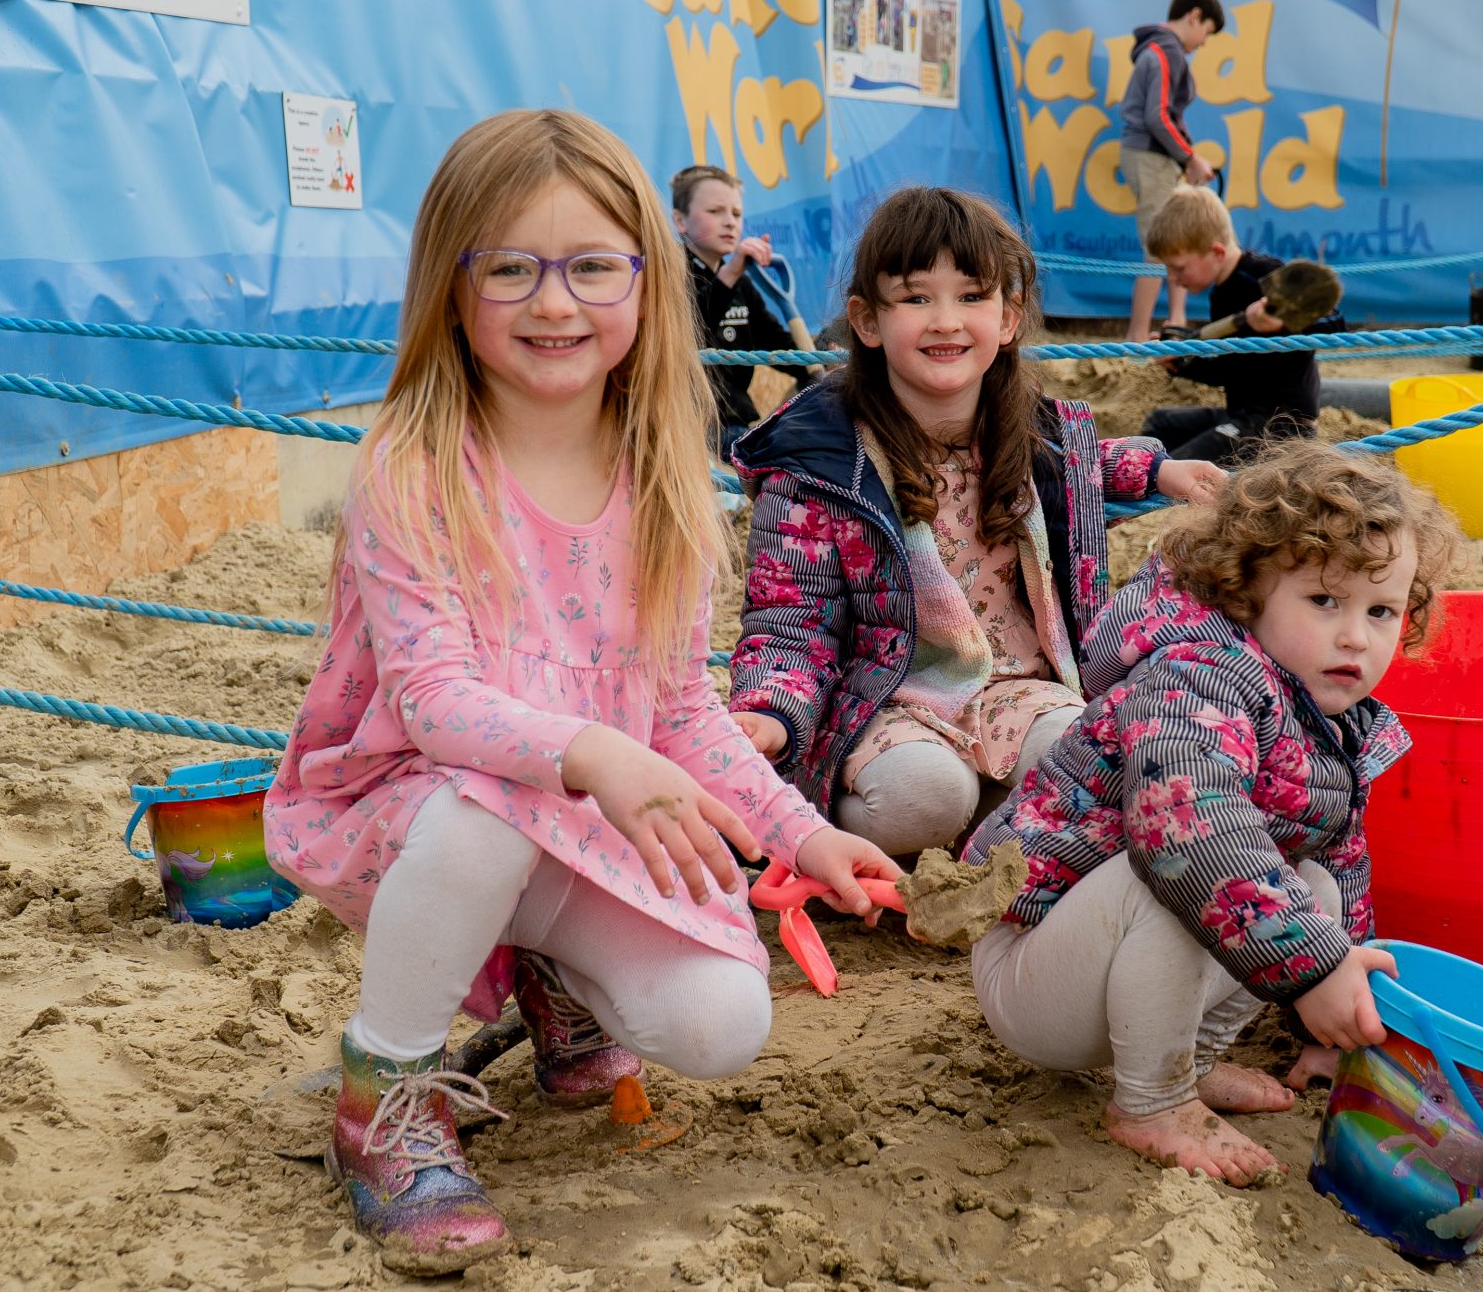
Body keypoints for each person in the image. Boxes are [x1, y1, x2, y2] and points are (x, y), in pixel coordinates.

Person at [264, 111, 900, 1275]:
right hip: (422, 802)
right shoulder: (413, 463)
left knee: (720, 1022)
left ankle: (554, 977)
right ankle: (383, 1095)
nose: (554, 302)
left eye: (593, 267)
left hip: (585, 816)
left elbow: (681, 710)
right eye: (510, 267)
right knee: (484, 823)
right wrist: (601, 755)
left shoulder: (665, 475)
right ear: (451, 285)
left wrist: (800, 836)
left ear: (647, 282)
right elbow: (432, 700)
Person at [961, 440, 1463, 1185]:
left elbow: (1345, 865)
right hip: (1033, 966)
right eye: (1324, 601)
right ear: (1247, 590)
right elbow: (1186, 828)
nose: (1356, 636)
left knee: (1317, 888)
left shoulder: (1334, 721)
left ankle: (1187, 1063)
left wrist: (1338, 1013)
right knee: (1179, 869)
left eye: (1381, 610)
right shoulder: (1195, 674)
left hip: (1116, 967)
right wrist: (1316, 968)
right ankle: (1152, 1099)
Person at [726, 186, 1226, 858]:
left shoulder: (1032, 437)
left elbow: (1080, 463)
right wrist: (771, 711)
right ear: (867, 321)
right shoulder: (820, 465)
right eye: (915, 298)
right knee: (923, 797)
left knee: (1089, 759)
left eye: (970, 296)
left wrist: (1158, 469)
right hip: (887, 698)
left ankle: (987, 826)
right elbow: (790, 620)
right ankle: (900, 821)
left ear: (1008, 318)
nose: (945, 321)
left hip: (1021, 686)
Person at [1136, 187, 1344, 465]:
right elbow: (1231, 369)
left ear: (1216, 252)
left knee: (1176, 466)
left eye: (1179, 268)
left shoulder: (1263, 276)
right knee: (1160, 424)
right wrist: (1181, 363)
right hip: (1243, 415)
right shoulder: (1220, 294)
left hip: (1283, 427)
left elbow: (1335, 322)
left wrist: (1282, 323)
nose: (1172, 278)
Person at [671, 164, 813, 458]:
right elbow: (687, 328)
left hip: (734, 425)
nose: (729, 222)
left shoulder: (740, 284)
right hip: (685, 428)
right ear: (680, 221)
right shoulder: (668, 273)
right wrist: (731, 272)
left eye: (736, 214)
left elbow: (777, 345)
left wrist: (824, 359)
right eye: (715, 211)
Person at [1118, 0, 1225, 342]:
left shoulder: (1159, 49)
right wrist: (1190, 158)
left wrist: (1186, 159)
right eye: (1207, 31)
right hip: (1151, 157)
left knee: (1177, 239)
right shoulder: (1167, 51)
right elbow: (1158, 117)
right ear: (1195, 16)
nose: (1204, 42)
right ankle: (1136, 339)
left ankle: (1176, 322)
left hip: (1156, 157)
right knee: (1158, 246)